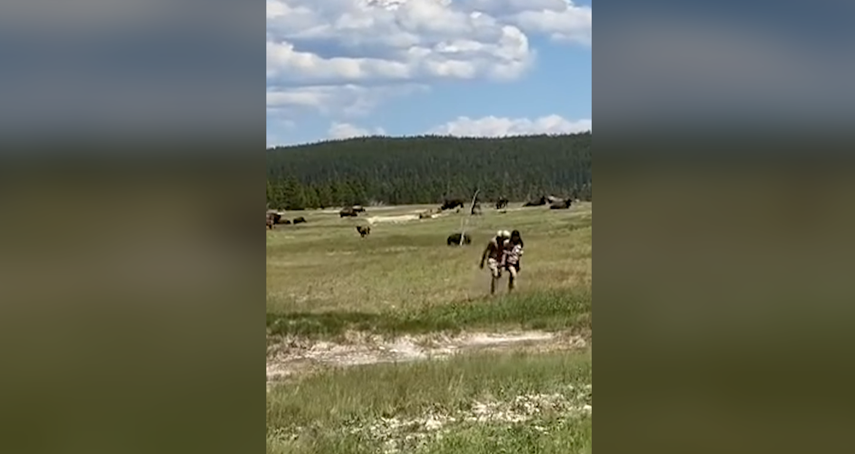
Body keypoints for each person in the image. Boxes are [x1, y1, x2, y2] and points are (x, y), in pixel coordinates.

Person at [480, 230, 510, 295]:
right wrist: (482, 261)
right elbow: (486, 251)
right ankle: (493, 292)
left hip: (500, 260)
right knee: (495, 273)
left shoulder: (506, 243)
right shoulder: (493, 241)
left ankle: (495, 290)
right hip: (492, 259)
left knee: (498, 275)